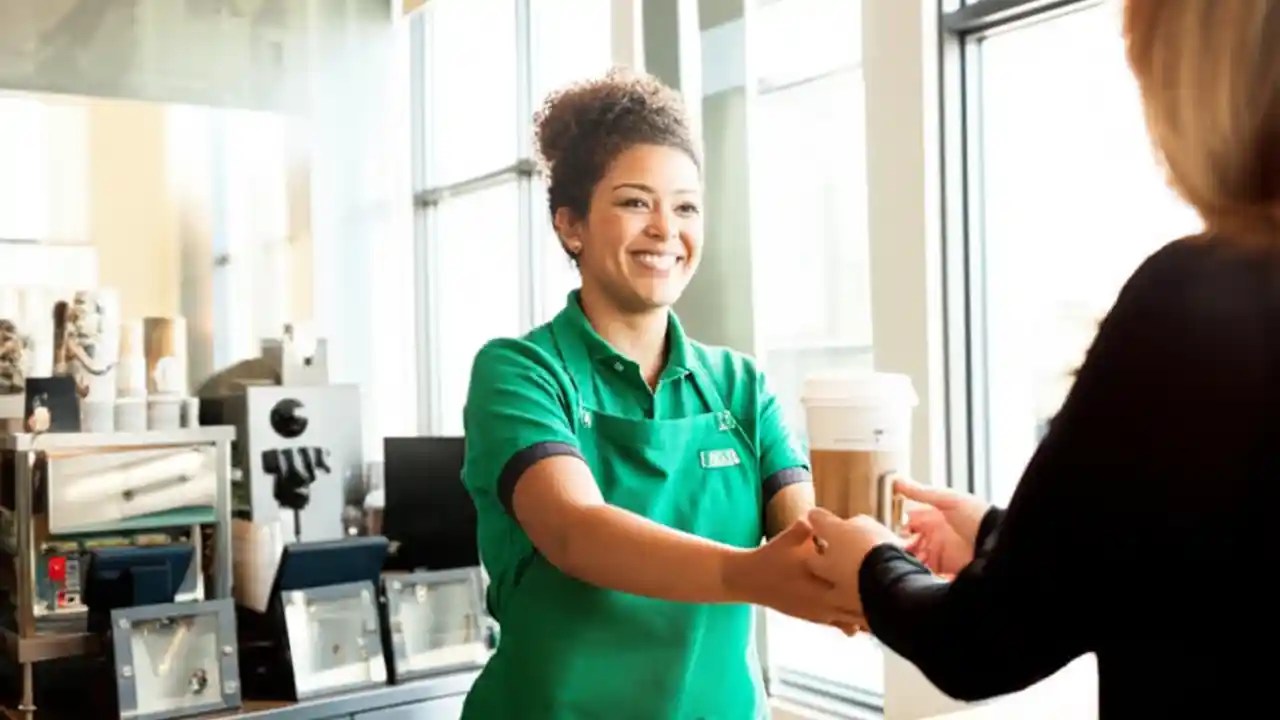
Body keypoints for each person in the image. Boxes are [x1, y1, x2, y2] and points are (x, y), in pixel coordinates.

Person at [805, 1, 1278, 716]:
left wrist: (873, 564)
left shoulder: (1195, 298)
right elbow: (1197, 556)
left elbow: (984, 642)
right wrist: (1001, 534)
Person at [458, 69, 852, 719]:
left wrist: (878, 569)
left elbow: (807, 535)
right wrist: (749, 576)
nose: (666, 228)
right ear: (571, 225)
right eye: (636, 202)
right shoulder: (521, 372)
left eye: (686, 206)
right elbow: (576, 532)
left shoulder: (741, 387)